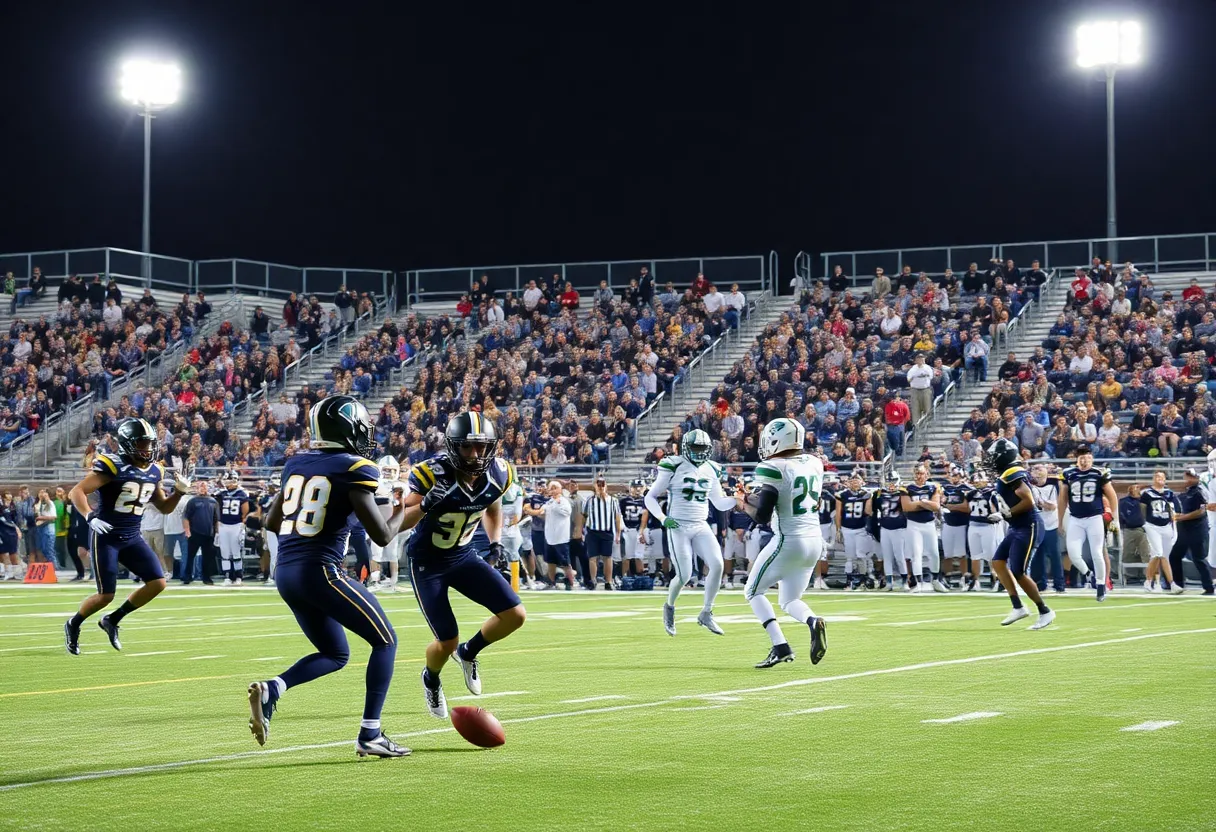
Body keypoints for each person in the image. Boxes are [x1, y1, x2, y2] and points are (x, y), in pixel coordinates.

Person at [251, 395, 409, 758]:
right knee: (386, 641)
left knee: (336, 653)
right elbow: (383, 535)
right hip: (321, 570)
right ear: (347, 429)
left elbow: (272, 522)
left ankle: (273, 688)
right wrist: (405, 508)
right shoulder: (356, 467)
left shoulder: (296, 462)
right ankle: (370, 733)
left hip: (286, 573)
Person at [401, 412, 527, 719]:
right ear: (453, 446)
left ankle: (469, 653)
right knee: (446, 641)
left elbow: (493, 508)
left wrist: (495, 543)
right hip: (427, 562)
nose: (475, 454)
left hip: (462, 555)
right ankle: (431, 678)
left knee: (515, 615)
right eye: (468, 447)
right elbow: (399, 520)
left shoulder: (498, 473)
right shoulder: (431, 473)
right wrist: (427, 503)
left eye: (481, 447)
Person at [63, 419, 190, 654]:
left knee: (158, 582)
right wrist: (90, 516)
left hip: (132, 536)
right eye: (142, 443)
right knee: (105, 595)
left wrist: (180, 493)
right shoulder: (113, 465)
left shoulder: (155, 470)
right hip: (107, 536)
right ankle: (73, 624)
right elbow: (77, 491)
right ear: (127, 444)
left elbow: (163, 507)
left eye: (149, 443)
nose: (147, 448)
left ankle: (112, 619)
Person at [737, 418, 828, 668]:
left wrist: (741, 503)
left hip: (788, 540)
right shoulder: (814, 462)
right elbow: (800, 498)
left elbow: (763, 515)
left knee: (753, 591)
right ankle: (812, 621)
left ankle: (780, 646)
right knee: (788, 600)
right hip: (814, 540)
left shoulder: (773, 466)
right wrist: (752, 497)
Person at [645, 429, 737, 636]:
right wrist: (662, 518)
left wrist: (740, 499)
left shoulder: (713, 468)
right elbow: (650, 497)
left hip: (700, 524)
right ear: (686, 447)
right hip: (678, 525)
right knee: (685, 574)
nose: (698, 452)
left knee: (717, 564)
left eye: (702, 449)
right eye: (695, 448)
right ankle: (669, 606)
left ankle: (706, 612)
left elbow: (720, 503)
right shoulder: (673, 465)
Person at [982, 438, 1055, 628]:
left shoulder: (1012, 472)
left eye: (993, 456)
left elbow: (1028, 501)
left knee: (1018, 571)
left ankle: (1044, 610)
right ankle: (1018, 607)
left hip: (1028, 525)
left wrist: (1005, 513)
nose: (990, 460)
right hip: (1017, 526)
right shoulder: (1007, 473)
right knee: (998, 562)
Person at [1059, 445, 1118, 601]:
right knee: (1073, 553)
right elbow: (1063, 499)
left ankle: (1100, 586)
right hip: (1075, 518)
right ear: (1077, 459)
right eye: (1081, 457)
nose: (1084, 460)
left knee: (1097, 552)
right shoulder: (1068, 473)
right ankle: (1089, 574)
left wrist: (1115, 518)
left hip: (1094, 518)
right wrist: (1060, 521)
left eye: (1086, 457)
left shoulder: (1099, 473)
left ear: (1091, 457)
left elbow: (1112, 496)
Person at [1168, 467, 1215, 595]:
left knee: (1198, 558)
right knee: (1174, 556)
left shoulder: (1200, 491)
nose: (1189, 479)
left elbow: (1202, 510)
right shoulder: (1186, 493)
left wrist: (1182, 517)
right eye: (1187, 476)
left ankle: (1209, 586)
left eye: (1191, 476)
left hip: (1197, 529)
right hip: (1184, 530)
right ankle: (1178, 585)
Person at [902, 463, 948, 591]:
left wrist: (922, 503)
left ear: (927, 474)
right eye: (917, 473)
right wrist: (924, 503)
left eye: (921, 473)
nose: (919, 476)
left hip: (929, 524)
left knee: (934, 553)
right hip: (913, 524)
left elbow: (936, 506)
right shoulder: (907, 488)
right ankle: (918, 582)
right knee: (916, 553)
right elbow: (907, 507)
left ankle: (935, 580)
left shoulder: (933, 487)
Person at [1137, 472, 1181, 593]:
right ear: (1153, 479)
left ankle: (1159, 583)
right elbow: (1142, 509)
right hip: (1152, 525)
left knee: (1164, 556)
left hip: (1166, 525)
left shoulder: (1169, 493)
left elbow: (1174, 511)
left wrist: (1174, 525)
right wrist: (1144, 523)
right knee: (1158, 553)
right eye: (1157, 476)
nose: (1160, 479)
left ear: (1165, 479)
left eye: (1162, 477)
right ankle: (1160, 582)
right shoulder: (1147, 493)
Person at [368, 456, 406, 591]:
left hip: (393, 526)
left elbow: (404, 506)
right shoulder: (375, 484)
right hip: (377, 524)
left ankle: (393, 582)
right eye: (386, 470)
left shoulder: (401, 486)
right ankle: (375, 581)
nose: (389, 473)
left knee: (393, 554)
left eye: (391, 470)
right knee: (376, 554)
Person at [871, 470, 911, 590]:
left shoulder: (903, 493)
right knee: (887, 556)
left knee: (900, 556)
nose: (891, 484)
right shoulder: (879, 494)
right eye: (889, 481)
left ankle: (905, 581)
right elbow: (873, 510)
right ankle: (889, 582)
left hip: (899, 528)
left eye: (893, 481)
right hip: (885, 527)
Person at [1028, 465, 1065, 594]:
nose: (1037, 472)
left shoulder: (1053, 486)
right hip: (1036, 524)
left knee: (1055, 555)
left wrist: (1042, 503)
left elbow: (1052, 506)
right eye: (1035, 469)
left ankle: (1059, 584)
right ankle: (1039, 584)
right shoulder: (1029, 487)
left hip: (1051, 525)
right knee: (1037, 556)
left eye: (1040, 469)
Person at [962, 470, 1001, 591]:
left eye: (980, 477)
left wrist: (996, 516)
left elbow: (997, 510)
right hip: (973, 525)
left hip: (987, 525)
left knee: (990, 555)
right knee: (975, 555)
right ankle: (975, 581)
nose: (977, 480)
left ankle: (996, 578)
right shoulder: (971, 494)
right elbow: (967, 509)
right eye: (976, 478)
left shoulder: (992, 493)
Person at [836, 472, 875, 590]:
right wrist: (838, 529)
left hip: (861, 528)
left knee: (861, 555)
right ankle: (849, 581)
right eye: (852, 480)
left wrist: (869, 498)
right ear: (848, 482)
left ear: (862, 482)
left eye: (857, 480)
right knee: (849, 557)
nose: (855, 482)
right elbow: (838, 513)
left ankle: (863, 580)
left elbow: (869, 512)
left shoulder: (867, 494)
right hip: (847, 528)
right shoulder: (842, 495)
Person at [582, 475, 621, 590]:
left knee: (607, 557)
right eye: (598, 485)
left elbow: (617, 517)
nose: (600, 487)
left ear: (606, 486)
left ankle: (608, 581)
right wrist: (581, 531)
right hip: (592, 531)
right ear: (595, 486)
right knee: (592, 557)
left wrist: (618, 533)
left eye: (602, 485)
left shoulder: (613, 500)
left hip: (607, 531)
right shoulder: (589, 500)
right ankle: (593, 580)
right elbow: (584, 516)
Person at [216, 470, 250, 586]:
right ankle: (227, 577)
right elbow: (217, 510)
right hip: (223, 525)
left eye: (229, 480)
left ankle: (238, 577)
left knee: (236, 552)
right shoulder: (221, 494)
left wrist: (242, 524)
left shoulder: (242, 494)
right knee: (224, 552)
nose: (227, 482)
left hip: (236, 525)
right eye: (227, 480)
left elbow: (245, 512)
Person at [182, 481, 219, 585]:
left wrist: (217, 533)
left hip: (209, 534)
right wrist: (187, 531)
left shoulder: (213, 501)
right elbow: (186, 517)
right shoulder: (192, 501)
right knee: (190, 556)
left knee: (207, 557)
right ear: (197, 488)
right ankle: (187, 576)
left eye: (204, 486)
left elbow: (216, 519)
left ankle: (206, 577)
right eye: (200, 487)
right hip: (194, 533)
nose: (203, 488)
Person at [940, 466, 972, 588]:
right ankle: (946, 578)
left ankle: (965, 577)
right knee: (947, 553)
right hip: (948, 523)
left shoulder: (966, 488)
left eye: (956, 475)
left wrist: (952, 507)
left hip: (962, 524)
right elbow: (942, 502)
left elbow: (967, 507)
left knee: (962, 554)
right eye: (953, 475)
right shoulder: (946, 488)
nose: (954, 478)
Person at [617, 479, 647, 581]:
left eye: (640, 486)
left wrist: (642, 531)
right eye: (634, 487)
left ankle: (640, 578)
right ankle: (625, 578)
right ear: (630, 488)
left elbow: (646, 517)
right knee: (627, 556)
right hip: (627, 530)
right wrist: (622, 528)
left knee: (639, 556)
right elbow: (618, 516)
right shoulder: (623, 501)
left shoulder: (646, 501)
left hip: (640, 530)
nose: (637, 489)